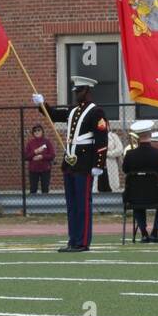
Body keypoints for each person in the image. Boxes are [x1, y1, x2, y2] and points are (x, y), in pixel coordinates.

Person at [33, 75, 108, 252]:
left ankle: (82, 242)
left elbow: (101, 139)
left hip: (85, 163)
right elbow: (55, 115)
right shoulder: (74, 110)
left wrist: (99, 164)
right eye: (76, 91)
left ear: (88, 91)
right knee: (72, 205)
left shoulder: (96, 111)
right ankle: (73, 239)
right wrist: (42, 104)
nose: (77, 94)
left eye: (80, 91)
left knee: (83, 204)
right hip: (70, 163)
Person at [123, 126, 158, 241]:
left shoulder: (129, 154)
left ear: (138, 136)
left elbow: (125, 170)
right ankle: (155, 232)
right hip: (156, 196)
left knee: (136, 200)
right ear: (150, 135)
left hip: (134, 196)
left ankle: (143, 233)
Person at [25, 124, 55, 194]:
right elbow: (26, 157)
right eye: (35, 131)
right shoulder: (30, 143)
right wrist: (35, 152)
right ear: (33, 133)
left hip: (45, 169)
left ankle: (45, 203)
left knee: (45, 188)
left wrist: (42, 156)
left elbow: (52, 155)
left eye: (39, 130)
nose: (37, 132)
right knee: (33, 188)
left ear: (42, 131)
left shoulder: (47, 142)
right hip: (33, 170)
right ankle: (32, 203)